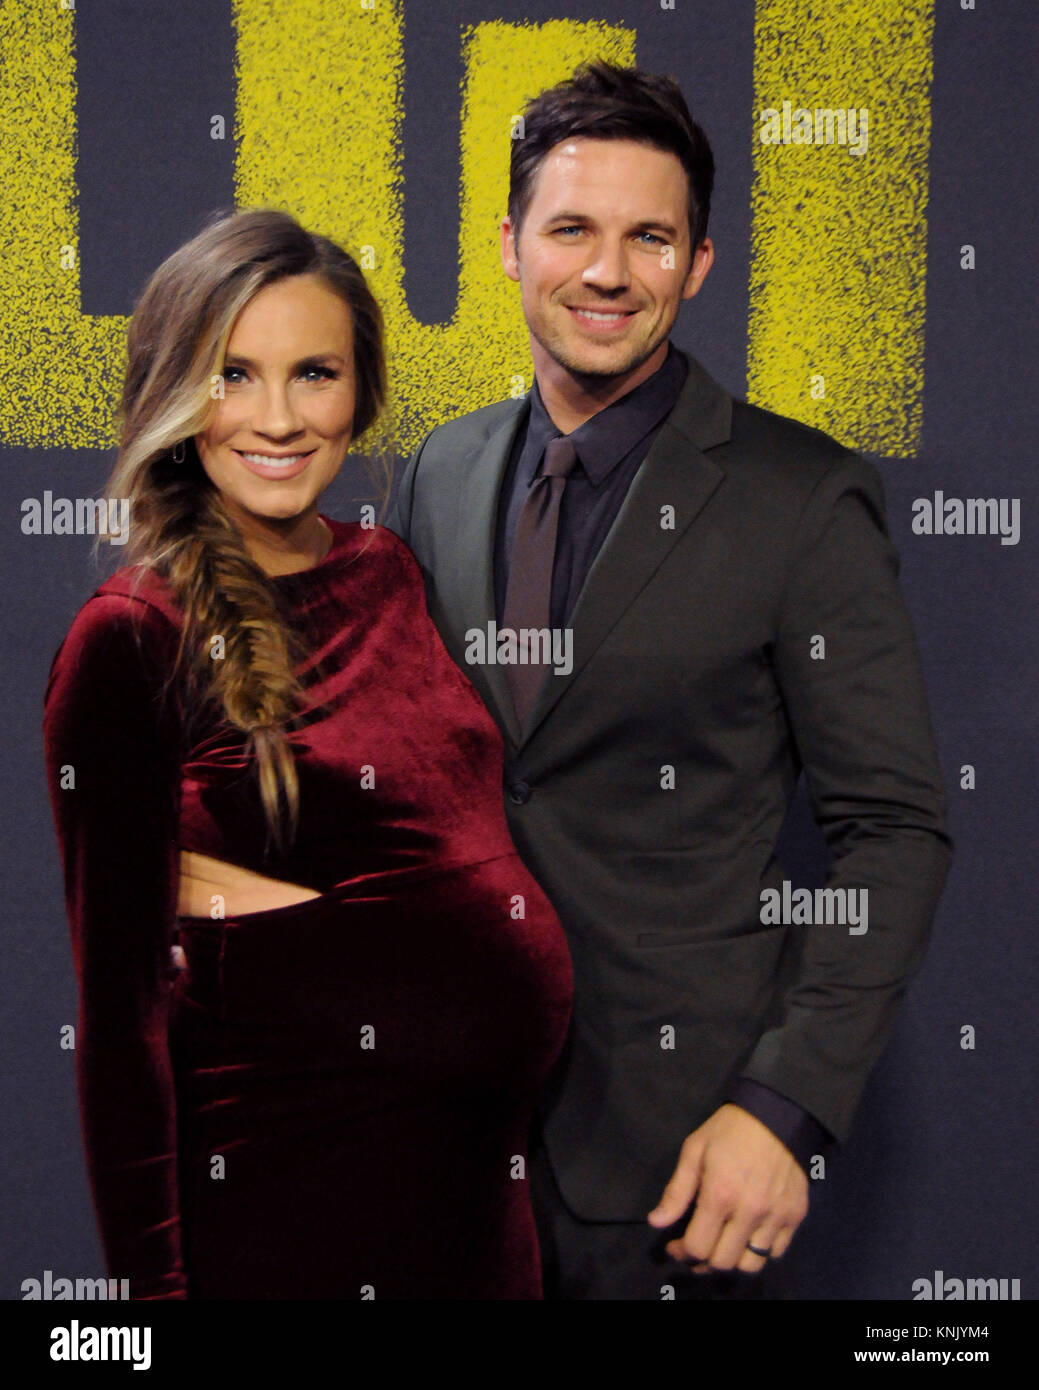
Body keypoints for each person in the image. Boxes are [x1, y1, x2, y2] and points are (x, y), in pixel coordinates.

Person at [387, 61, 953, 1300]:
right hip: (439, 1133)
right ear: (507, 245)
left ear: (697, 264)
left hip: (671, 1155)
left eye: (650, 237)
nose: (606, 271)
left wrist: (782, 1104)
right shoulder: (437, 470)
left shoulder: (801, 499)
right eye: (572, 229)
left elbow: (894, 832)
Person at [42, 208, 572, 1300]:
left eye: (314, 373)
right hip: (294, 1212)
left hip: (478, 1217)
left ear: (361, 392)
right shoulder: (134, 634)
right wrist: (155, 1305)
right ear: (176, 396)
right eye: (232, 375)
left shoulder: (386, 566)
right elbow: (121, 1014)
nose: (277, 417)